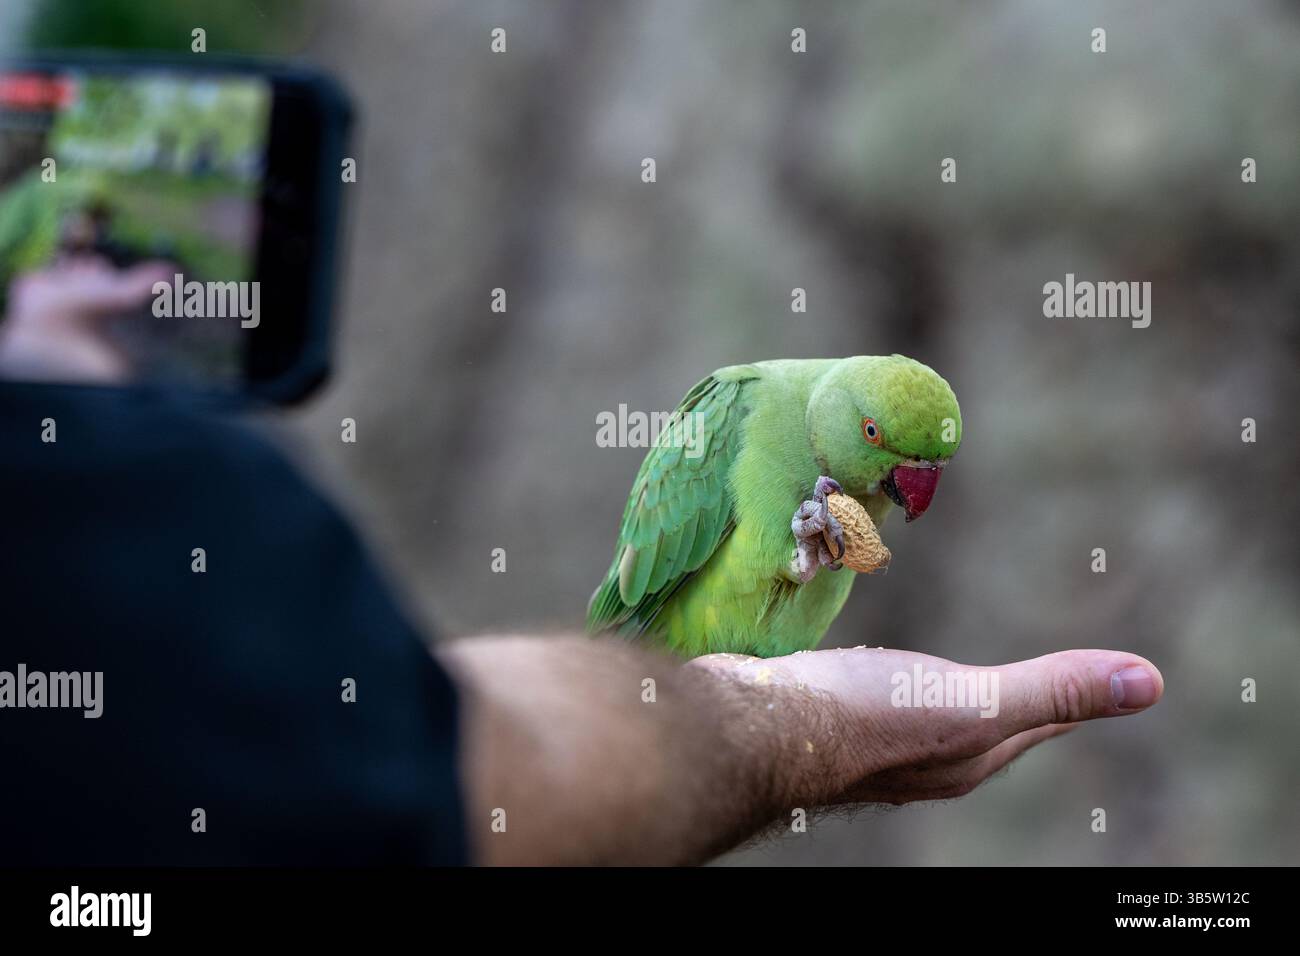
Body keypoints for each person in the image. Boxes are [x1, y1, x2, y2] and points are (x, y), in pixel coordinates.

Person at [0, 258, 1164, 866]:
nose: (899, 483)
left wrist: (802, 630)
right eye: (883, 452)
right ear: (845, 412)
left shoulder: (858, 461)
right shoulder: (738, 417)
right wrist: (781, 732)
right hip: (669, 640)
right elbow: (635, 615)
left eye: (921, 469)